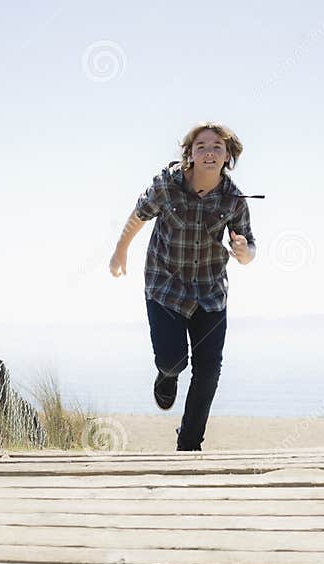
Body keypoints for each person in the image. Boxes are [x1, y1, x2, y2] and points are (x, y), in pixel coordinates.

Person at [109, 122, 258, 451]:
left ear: (227, 157)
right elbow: (139, 214)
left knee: (208, 371)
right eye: (201, 145)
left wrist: (244, 252)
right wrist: (120, 251)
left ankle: (189, 445)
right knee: (174, 360)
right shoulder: (168, 184)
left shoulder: (233, 199)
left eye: (217, 146)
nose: (209, 151)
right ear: (189, 154)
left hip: (210, 291)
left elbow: (249, 248)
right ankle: (167, 373)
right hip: (166, 285)